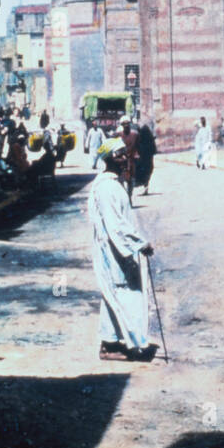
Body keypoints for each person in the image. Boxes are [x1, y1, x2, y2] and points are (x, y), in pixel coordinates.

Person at [87, 145, 157, 362]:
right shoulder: (107, 188)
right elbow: (115, 224)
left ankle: (112, 343)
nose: (124, 158)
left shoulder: (114, 185)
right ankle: (120, 343)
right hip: (114, 251)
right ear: (108, 159)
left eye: (124, 154)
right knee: (123, 295)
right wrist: (140, 243)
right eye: (118, 155)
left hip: (117, 250)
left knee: (115, 296)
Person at [133, 120, 158, 195]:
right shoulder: (149, 139)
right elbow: (153, 150)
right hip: (148, 160)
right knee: (147, 172)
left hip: (143, 159)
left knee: (142, 172)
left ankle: (144, 187)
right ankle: (145, 187)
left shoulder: (141, 138)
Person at [121, 120, 139, 201]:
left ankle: (129, 196)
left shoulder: (135, 135)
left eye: (128, 125)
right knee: (122, 180)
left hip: (132, 160)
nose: (126, 126)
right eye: (124, 125)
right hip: (122, 161)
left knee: (132, 180)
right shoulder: (119, 135)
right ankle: (124, 197)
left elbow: (139, 146)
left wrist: (137, 154)